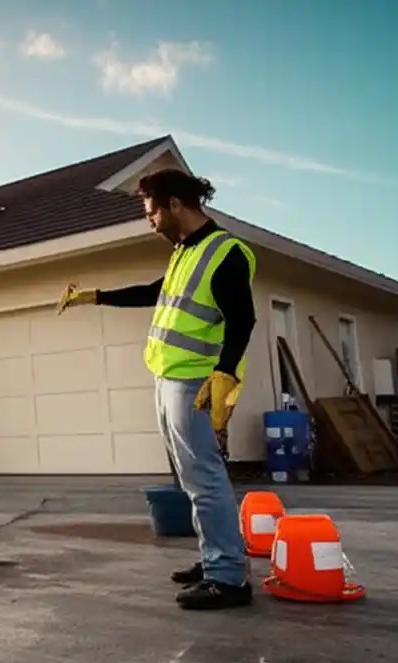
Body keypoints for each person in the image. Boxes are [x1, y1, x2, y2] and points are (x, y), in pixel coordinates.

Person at [57, 168, 256, 611]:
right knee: (190, 479)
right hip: (168, 379)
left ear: (175, 206)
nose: (149, 220)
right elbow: (156, 292)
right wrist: (97, 296)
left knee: (205, 477)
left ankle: (228, 577)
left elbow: (243, 319)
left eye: (151, 212)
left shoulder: (225, 252)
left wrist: (224, 374)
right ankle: (214, 560)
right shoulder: (186, 252)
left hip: (196, 383)